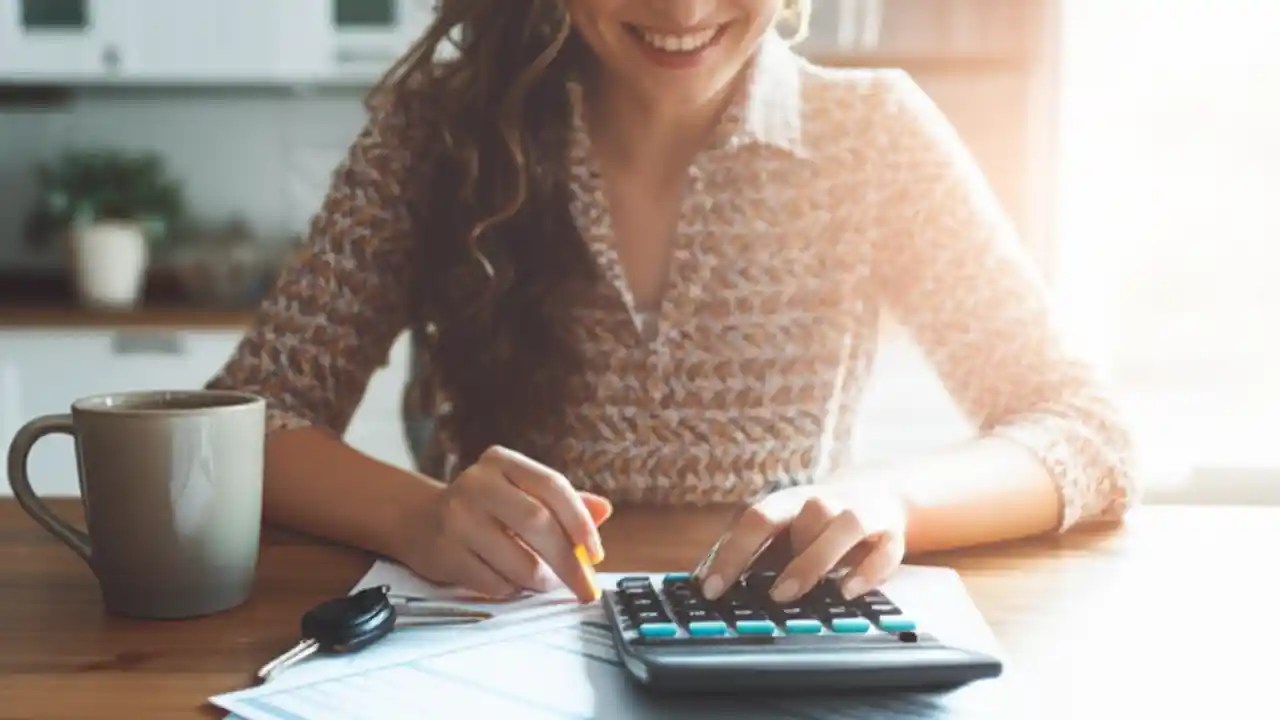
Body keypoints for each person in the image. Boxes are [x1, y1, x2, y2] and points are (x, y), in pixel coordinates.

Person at [208, 0, 1137, 607]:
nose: (684, 10)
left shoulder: (874, 135)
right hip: (501, 645)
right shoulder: (434, 136)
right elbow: (239, 423)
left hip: (772, 642)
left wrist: (888, 496)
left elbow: (1084, 431)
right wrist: (421, 517)